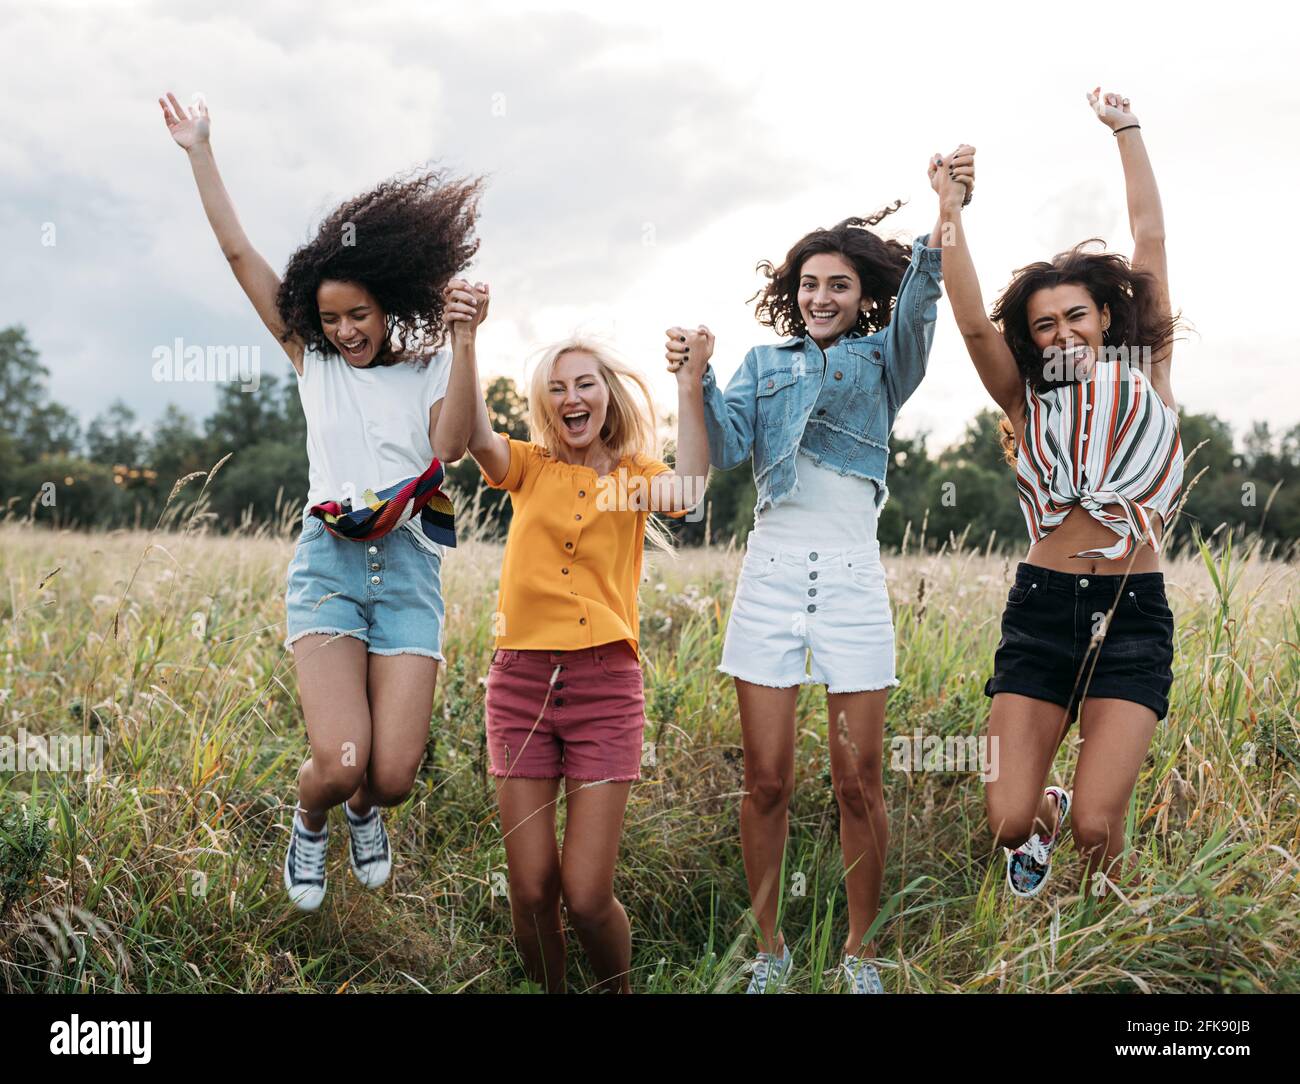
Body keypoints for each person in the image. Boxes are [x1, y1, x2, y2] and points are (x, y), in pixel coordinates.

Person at [159, 91, 483, 911]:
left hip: (408, 569)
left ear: (389, 306)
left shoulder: (430, 370)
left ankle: (368, 813)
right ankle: (311, 817)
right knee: (340, 764)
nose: (344, 331)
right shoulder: (316, 366)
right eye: (331, 317)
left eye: (359, 314)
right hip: (328, 566)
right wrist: (201, 150)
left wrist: (470, 338)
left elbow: (448, 450)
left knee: (392, 776)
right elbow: (239, 256)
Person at [671, 154, 962, 992]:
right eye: (808, 285)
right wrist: (693, 373)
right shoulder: (764, 368)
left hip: (849, 581)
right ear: (792, 292)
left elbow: (923, 298)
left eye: (837, 285)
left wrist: (946, 209)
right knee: (765, 781)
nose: (820, 297)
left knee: (857, 779)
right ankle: (771, 952)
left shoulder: (885, 360)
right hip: (769, 576)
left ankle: (861, 955)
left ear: (859, 293)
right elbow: (719, 451)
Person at [936, 89, 1183, 900]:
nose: (1063, 333)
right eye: (1045, 325)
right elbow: (973, 322)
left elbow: (1148, 234)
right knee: (1009, 820)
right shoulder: (1024, 401)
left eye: (1076, 316)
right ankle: (1037, 814)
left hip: (1133, 613)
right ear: (1032, 341)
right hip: (1044, 609)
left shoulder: (1146, 369)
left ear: (1106, 317)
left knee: (1098, 829)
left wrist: (1128, 131)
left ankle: (1106, 934)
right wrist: (951, 207)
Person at [437, 280, 708, 991]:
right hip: (521, 682)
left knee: (586, 895)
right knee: (530, 891)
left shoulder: (631, 478)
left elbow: (691, 493)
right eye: (556, 388)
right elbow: (469, 439)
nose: (571, 398)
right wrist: (465, 338)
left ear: (607, 395)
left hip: (604, 688)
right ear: (545, 404)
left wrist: (690, 384)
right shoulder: (529, 467)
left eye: (584, 383)